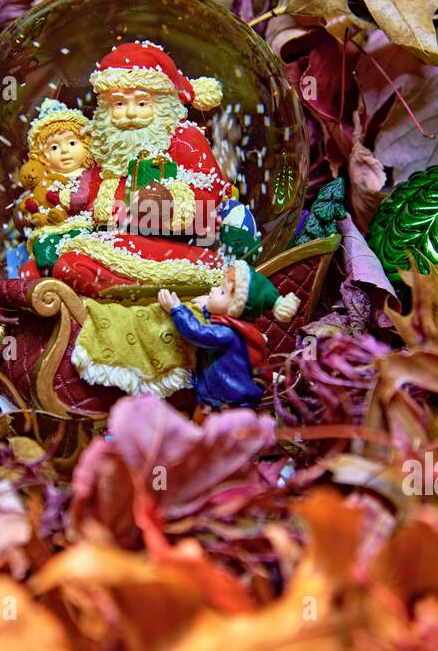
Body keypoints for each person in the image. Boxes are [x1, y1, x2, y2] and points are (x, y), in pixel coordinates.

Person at [50, 41, 237, 295]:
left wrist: (170, 204)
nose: (129, 114)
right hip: (112, 238)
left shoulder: (185, 139)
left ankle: (155, 294)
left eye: (141, 104)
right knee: (53, 255)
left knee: (70, 265)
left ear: (162, 103)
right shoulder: (107, 143)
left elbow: (210, 209)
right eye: (118, 104)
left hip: (174, 246)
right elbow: (92, 199)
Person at [157, 261, 300, 409]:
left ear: (235, 309)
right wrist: (207, 307)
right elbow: (216, 320)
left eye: (222, 291)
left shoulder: (227, 333)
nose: (213, 289)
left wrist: (176, 309)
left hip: (224, 401)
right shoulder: (234, 326)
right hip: (222, 397)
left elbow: (198, 332)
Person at [16, 99, 96, 275]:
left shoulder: (87, 174)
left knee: (81, 245)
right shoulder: (43, 179)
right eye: (54, 147)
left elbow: (84, 197)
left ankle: (74, 272)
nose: (64, 151)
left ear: (87, 145)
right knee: (42, 246)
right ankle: (51, 273)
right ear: (42, 155)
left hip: (82, 227)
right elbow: (32, 203)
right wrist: (31, 208)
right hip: (49, 228)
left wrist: (62, 197)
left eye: (72, 143)